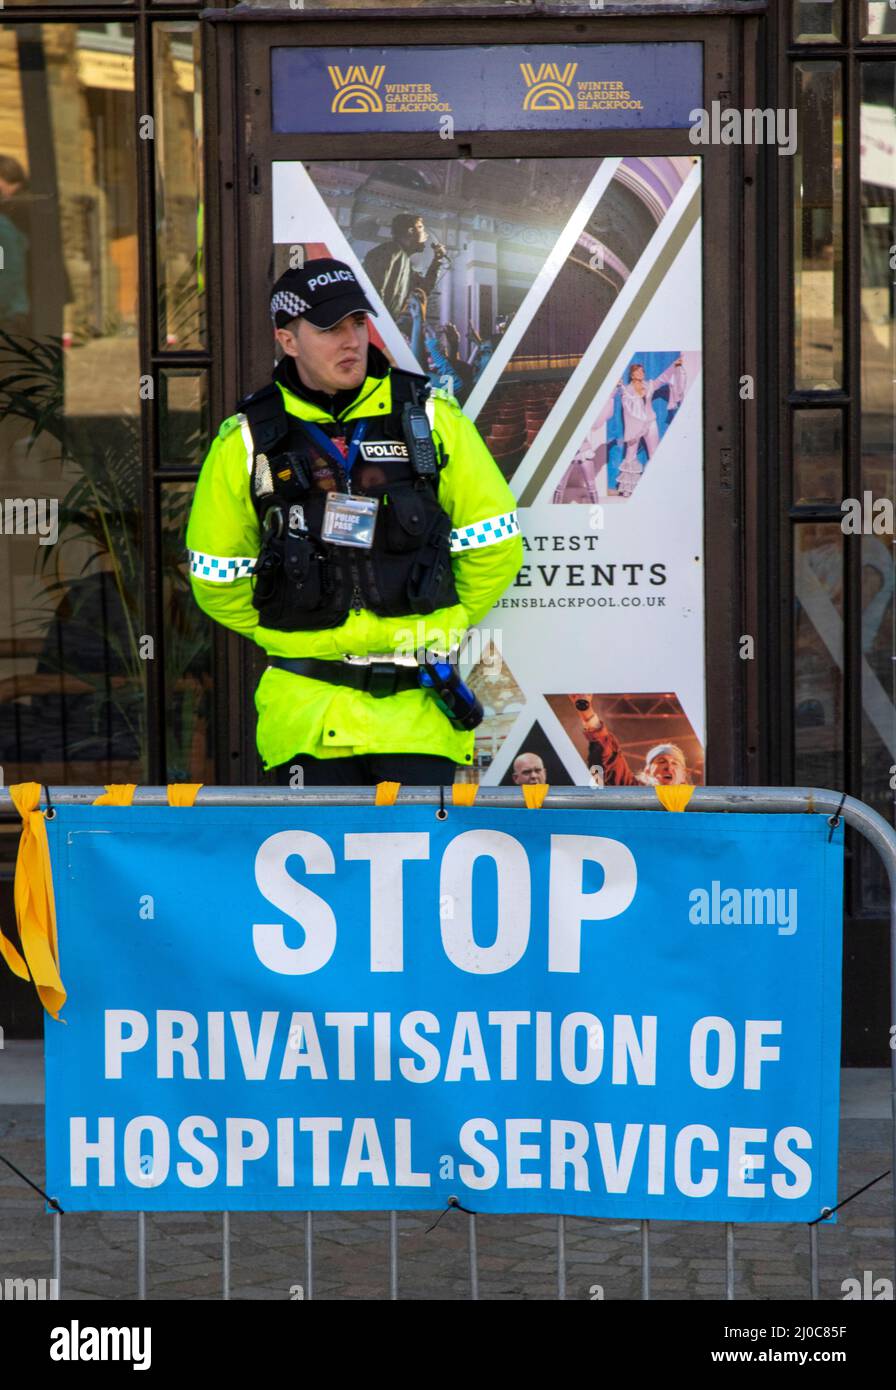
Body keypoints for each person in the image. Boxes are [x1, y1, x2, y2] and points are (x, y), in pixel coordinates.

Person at [186, 256, 523, 787]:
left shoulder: (429, 416)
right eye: (329, 329)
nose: (351, 340)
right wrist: (298, 624)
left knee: (418, 870)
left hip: (418, 717)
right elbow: (215, 576)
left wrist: (437, 620)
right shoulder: (248, 437)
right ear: (288, 340)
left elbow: (494, 544)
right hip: (307, 716)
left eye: (358, 323)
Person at [567, 694, 691, 786]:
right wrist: (586, 711)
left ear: (683, 775)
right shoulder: (634, 791)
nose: (668, 767)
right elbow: (610, 758)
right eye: (661, 761)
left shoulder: (696, 801)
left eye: (675, 763)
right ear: (647, 771)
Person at [613, 357, 685, 498]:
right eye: (637, 371)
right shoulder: (627, 389)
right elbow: (626, 402)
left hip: (650, 421)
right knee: (630, 454)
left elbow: (663, 378)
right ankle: (628, 488)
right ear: (632, 374)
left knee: (654, 452)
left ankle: (655, 484)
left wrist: (674, 365)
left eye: (642, 371)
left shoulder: (649, 385)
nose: (641, 373)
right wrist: (620, 387)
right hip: (635, 424)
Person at [362, 214, 448, 320]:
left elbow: (424, 288)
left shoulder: (405, 262)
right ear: (410, 231)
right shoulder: (388, 252)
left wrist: (437, 260)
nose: (426, 235)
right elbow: (373, 292)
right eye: (421, 228)